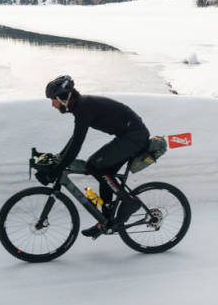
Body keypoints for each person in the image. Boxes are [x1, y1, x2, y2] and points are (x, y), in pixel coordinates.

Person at [41, 75, 149, 238]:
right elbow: (74, 139)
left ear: (64, 97)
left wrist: (59, 167)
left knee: (94, 165)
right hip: (128, 136)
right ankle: (106, 220)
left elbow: (77, 144)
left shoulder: (84, 107)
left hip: (134, 136)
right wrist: (60, 157)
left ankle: (129, 202)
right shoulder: (81, 107)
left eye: (53, 100)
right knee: (104, 171)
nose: (52, 104)